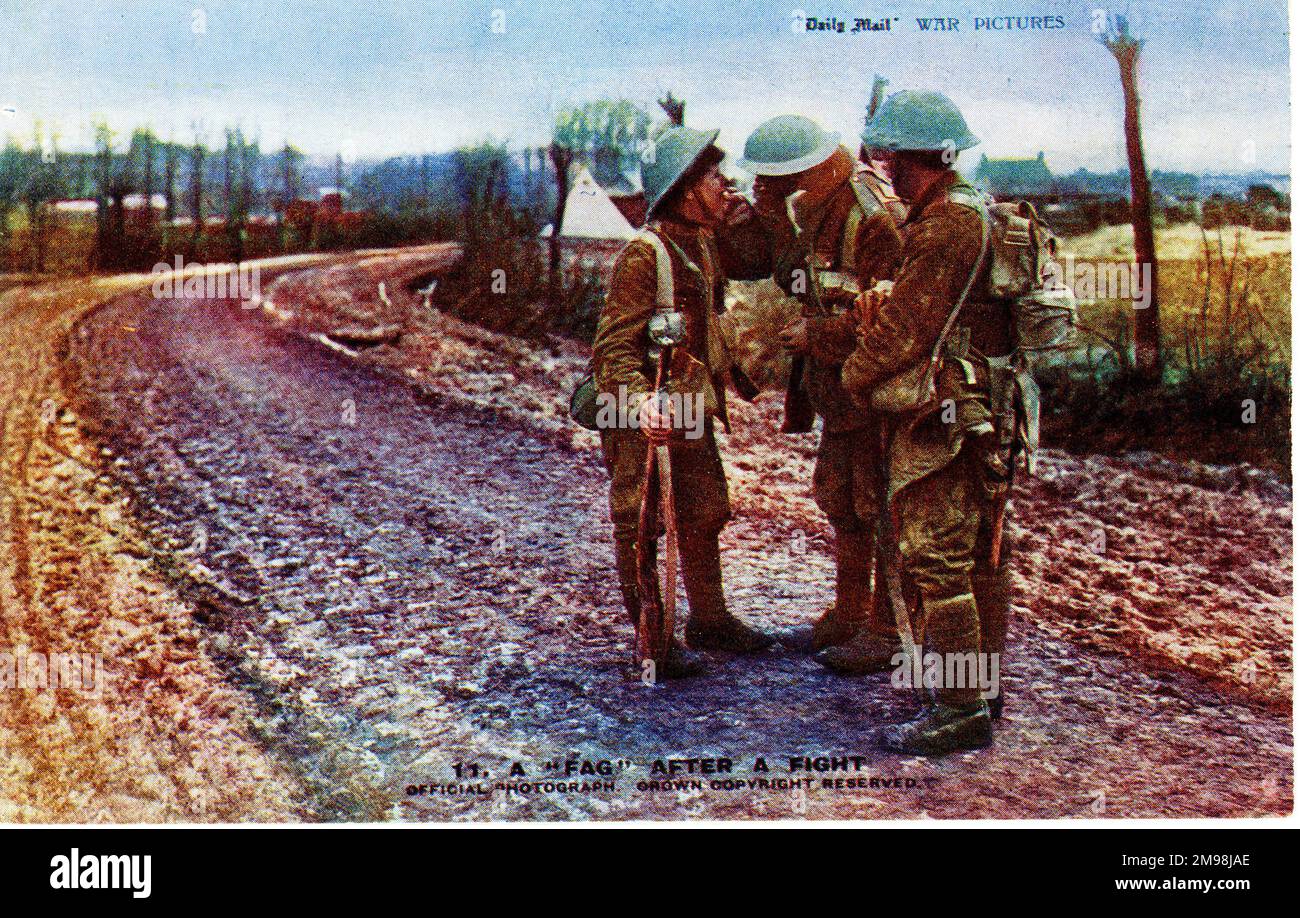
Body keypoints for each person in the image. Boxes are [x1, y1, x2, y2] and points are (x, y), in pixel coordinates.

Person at [842, 90, 1016, 755]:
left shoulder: (946, 225)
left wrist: (855, 374)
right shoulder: (976, 212)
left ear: (921, 161)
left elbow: (905, 331)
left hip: (944, 415)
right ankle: (980, 686)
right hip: (982, 409)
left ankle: (959, 709)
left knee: (935, 555)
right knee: (977, 551)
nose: (889, 173)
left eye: (896, 161)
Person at [592, 125, 774, 679]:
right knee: (641, 519)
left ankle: (711, 620)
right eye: (715, 176)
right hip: (641, 413)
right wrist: (640, 404)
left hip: (689, 404)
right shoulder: (645, 256)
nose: (726, 184)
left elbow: (763, 258)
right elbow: (611, 350)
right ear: (685, 188)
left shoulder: (703, 243)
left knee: (704, 507)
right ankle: (654, 638)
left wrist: (750, 211)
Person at [730, 115, 905, 664]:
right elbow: (794, 279)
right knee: (843, 500)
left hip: (877, 388)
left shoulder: (875, 217)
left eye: (771, 178)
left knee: (880, 503)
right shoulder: (815, 207)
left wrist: (817, 334)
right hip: (839, 391)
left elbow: (900, 319)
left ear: (798, 171)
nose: (765, 185)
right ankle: (850, 614)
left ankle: (886, 629)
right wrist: (773, 220)